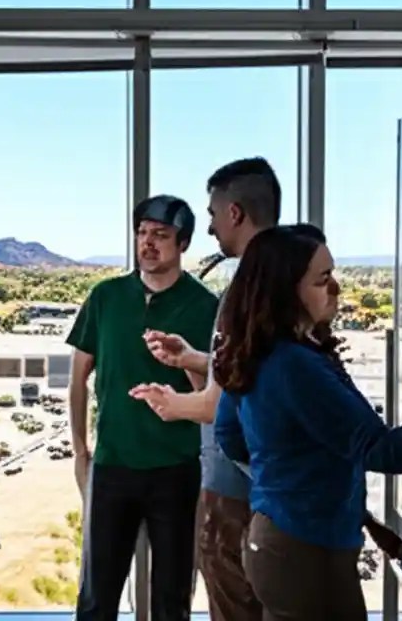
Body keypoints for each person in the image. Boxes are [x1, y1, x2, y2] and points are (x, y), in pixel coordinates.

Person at [211, 226, 402, 620]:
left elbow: (230, 435)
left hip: (280, 541)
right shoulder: (296, 366)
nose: (336, 287)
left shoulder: (264, 350)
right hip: (305, 555)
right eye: (323, 279)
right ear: (286, 291)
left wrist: (292, 473)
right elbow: (388, 451)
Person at [129, 157, 279, 621]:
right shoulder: (278, 278)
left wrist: (169, 404)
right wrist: (192, 359)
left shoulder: (246, 291)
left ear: (235, 213)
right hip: (267, 488)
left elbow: (219, 404)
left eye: (213, 214)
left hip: (236, 490)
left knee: (233, 607)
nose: (212, 228)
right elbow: (254, 374)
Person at [67, 194, 219, 621]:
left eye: (161, 235)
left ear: (183, 243)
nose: (147, 243)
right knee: (96, 597)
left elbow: (211, 393)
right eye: (142, 234)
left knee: (172, 600)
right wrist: (81, 453)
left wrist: (184, 359)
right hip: (112, 465)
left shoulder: (205, 306)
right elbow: (78, 379)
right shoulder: (106, 297)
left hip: (176, 469)